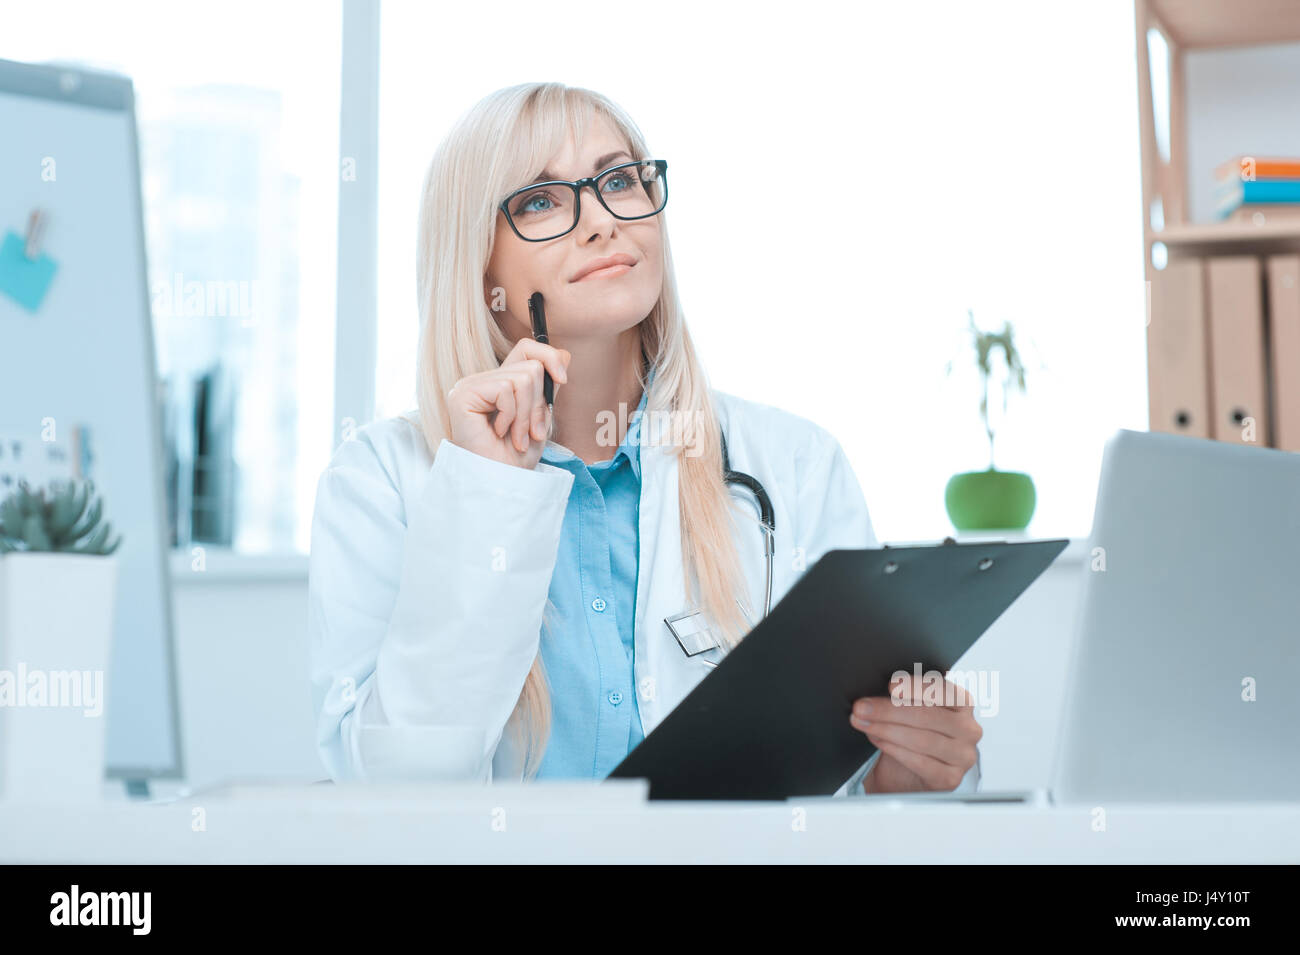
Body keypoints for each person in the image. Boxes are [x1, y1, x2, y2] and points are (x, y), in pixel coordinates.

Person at [308, 82, 981, 795]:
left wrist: (904, 773)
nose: (600, 220)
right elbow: (398, 788)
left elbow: (837, 796)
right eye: (541, 200)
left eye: (619, 180)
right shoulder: (379, 482)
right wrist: (486, 496)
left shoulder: (797, 466)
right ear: (478, 271)